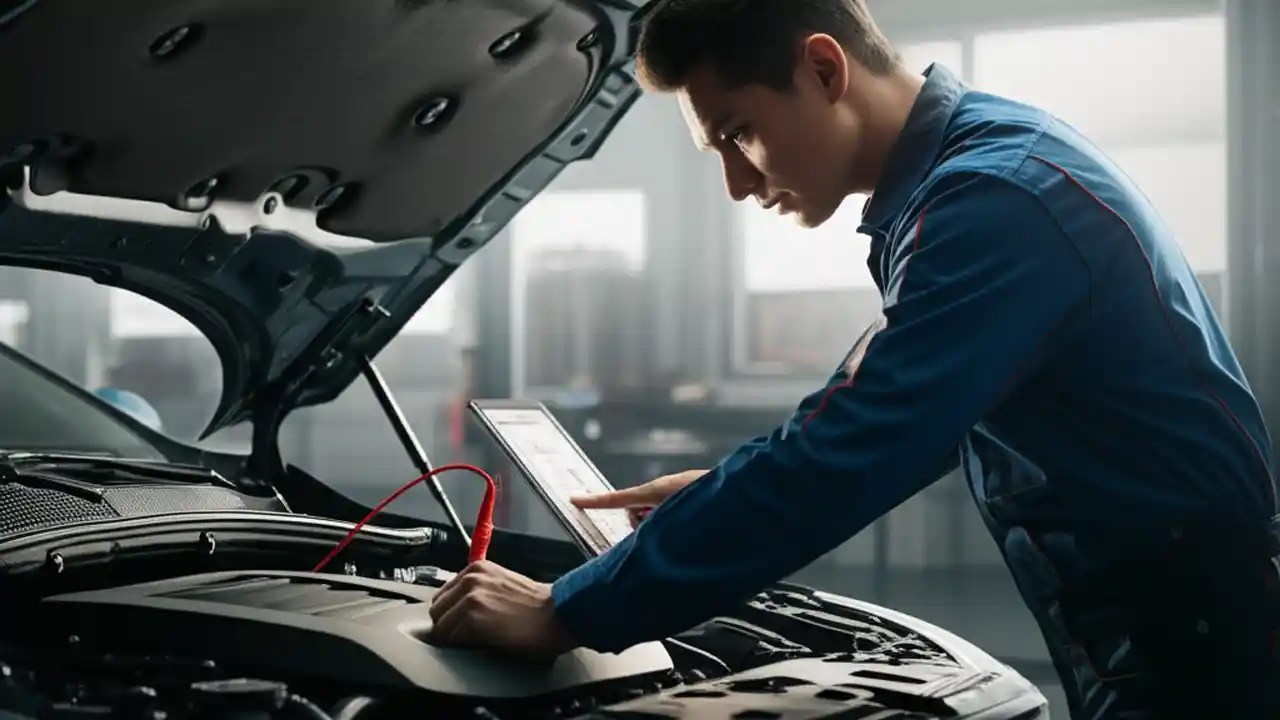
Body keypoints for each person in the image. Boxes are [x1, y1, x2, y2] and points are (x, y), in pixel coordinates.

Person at [428, 1, 1280, 716]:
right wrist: (726, 490)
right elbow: (921, 411)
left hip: (1195, 634)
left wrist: (566, 611)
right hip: (1169, 612)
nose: (737, 182)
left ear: (825, 71)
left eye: (740, 133)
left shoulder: (996, 199)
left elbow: (847, 451)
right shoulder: (974, 170)